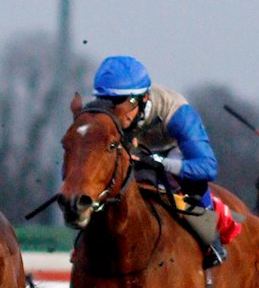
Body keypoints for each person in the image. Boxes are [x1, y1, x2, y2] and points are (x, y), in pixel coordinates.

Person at [91, 54, 229, 268]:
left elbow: (207, 167)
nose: (112, 111)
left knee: (192, 180)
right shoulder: (104, 112)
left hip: (172, 153)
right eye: (105, 101)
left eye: (118, 103)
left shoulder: (178, 112)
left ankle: (211, 240)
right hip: (137, 152)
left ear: (142, 98)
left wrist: (159, 163)